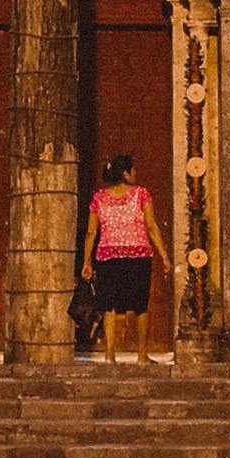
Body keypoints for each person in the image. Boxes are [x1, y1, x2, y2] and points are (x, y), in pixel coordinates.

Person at [79, 153, 171, 365]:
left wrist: (87, 261)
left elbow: (91, 233)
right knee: (140, 306)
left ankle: (109, 355)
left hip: (108, 256)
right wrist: (164, 256)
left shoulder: (98, 198)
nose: (135, 173)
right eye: (132, 170)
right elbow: (151, 226)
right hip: (137, 255)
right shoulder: (142, 194)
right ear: (125, 173)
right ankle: (141, 355)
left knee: (108, 306)